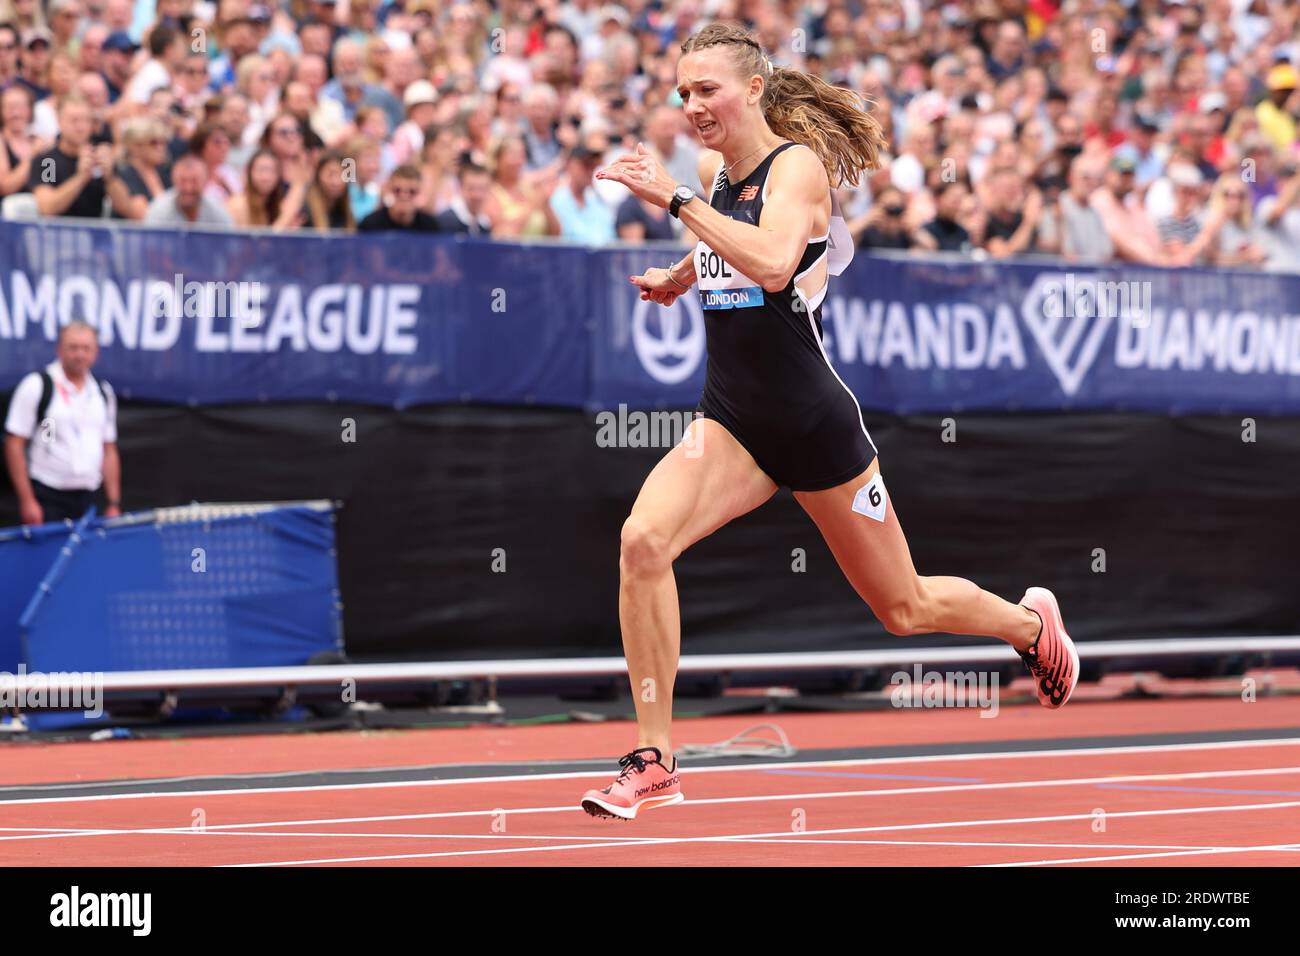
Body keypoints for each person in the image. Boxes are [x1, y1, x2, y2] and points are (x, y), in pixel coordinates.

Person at [582, 23, 1079, 821]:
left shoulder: (799, 168)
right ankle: (654, 758)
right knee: (643, 541)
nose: (691, 105)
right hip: (733, 422)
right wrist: (680, 276)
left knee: (903, 608)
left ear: (752, 90)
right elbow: (733, 246)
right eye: (682, 92)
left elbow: (777, 262)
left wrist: (669, 201)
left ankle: (1029, 625)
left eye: (706, 89)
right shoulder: (714, 171)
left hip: (814, 426)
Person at [4, 320, 122, 525]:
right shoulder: (37, 385)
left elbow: (109, 448)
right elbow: (14, 443)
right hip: (47, 496)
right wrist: (27, 500)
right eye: (73, 347)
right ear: (59, 350)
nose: (80, 354)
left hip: (89, 496)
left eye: (86, 348)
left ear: (96, 353)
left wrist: (113, 502)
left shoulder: (103, 393)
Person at [143, 153, 234, 225]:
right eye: (183, 181)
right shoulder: (159, 211)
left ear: (205, 182)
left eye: (194, 181)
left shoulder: (217, 210)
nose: (188, 188)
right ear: (174, 181)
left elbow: (230, 244)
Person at [358, 163, 440, 232]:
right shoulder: (370, 225)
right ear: (388, 189)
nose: (404, 196)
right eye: (397, 190)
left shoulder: (430, 226)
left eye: (412, 191)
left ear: (419, 192)